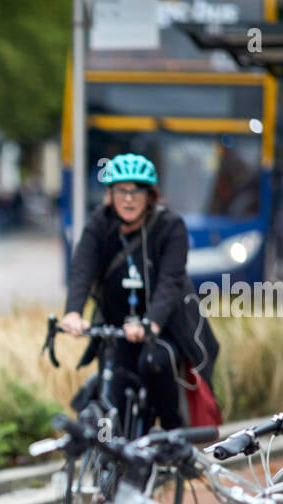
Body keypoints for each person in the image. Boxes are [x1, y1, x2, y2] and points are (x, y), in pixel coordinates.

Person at [59, 153, 190, 431]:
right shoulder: (100, 222)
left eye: (136, 190)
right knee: (112, 389)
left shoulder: (170, 226)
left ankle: (172, 436)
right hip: (116, 326)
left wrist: (151, 323)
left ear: (150, 195)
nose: (128, 198)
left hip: (160, 326)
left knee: (155, 362)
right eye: (121, 190)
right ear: (110, 194)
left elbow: (171, 281)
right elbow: (82, 268)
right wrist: (73, 313)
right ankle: (112, 460)